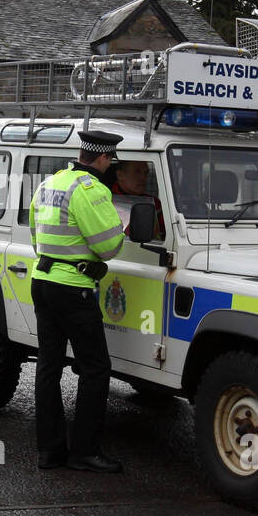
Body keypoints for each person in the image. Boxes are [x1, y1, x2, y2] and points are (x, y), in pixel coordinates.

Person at [29, 129, 127, 473]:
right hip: (74, 287)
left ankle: (49, 453)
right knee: (96, 368)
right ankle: (84, 452)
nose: (110, 164)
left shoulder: (50, 183)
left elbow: (34, 234)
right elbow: (110, 246)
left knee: (49, 366)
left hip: (42, 281)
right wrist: (120, 227)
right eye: (110, 159)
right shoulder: (91, 190)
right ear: (103, 158)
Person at [110, 160, 165, 240]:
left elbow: (164, 237)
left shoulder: (155, 204)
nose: (143, 177)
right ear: (120, 175)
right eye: (137, 172)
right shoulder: (105, 200)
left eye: (146, 173)